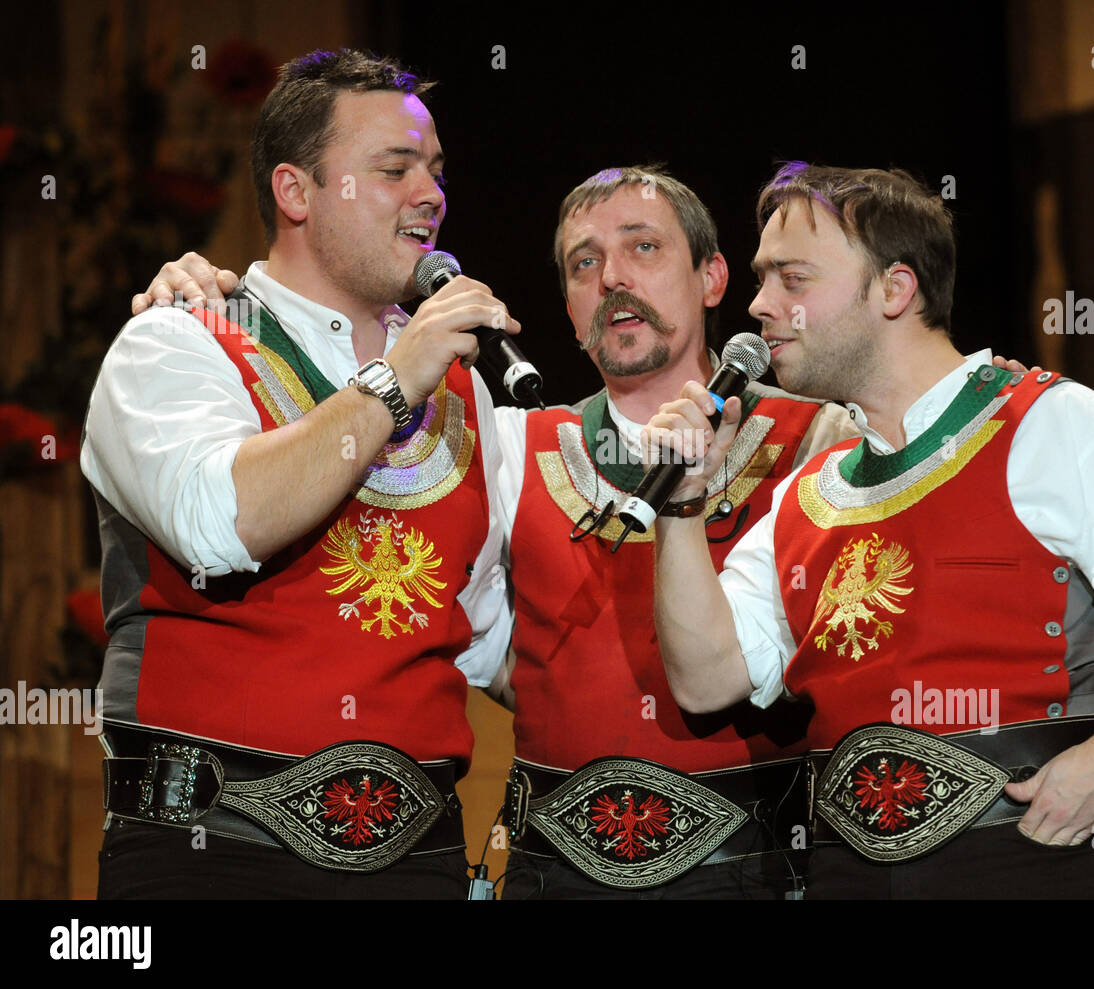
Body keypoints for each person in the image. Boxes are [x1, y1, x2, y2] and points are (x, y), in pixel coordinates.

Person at [133, 165, 872, 898]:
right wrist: (229, 301)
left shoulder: (826, 440)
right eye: (584, 263)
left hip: (765, 875)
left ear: (713, 278)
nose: (612, 277)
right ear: (569, 306)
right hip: (550, 878)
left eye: (642, 248)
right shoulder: (508, 443)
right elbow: (329, 452)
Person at [646, 163, 1094, 898]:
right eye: (762, 279)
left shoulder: (1049, 423)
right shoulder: (805, 496)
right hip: (845, 875)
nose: (760, 304)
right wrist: (680, 506)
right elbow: (706, 680)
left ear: (894, 289)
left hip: (1029, 860)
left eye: (793, 279)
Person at [82, 49, 520, 898]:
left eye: (434, 170)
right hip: (211, 858)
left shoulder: (468, 397)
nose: (430, 193)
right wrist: (399, 377)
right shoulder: (176, 341)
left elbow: (489, 640)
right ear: (296, 192)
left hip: (418, 864)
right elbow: (221, 522)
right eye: (394, 169)